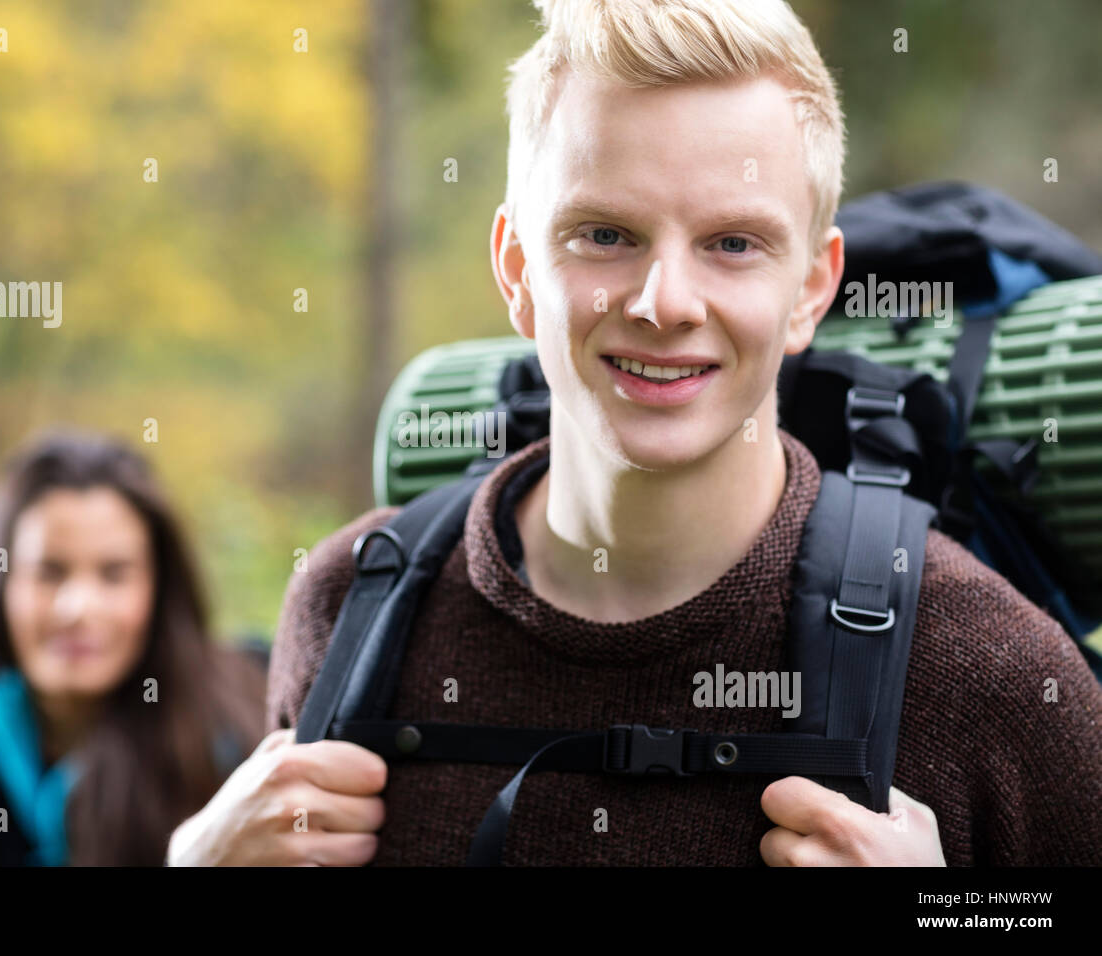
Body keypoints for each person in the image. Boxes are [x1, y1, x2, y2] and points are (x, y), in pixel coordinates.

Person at [181, 0, 1102, 866]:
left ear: (813, 289)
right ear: (516, 267)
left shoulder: (991, 673)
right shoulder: (350, 610)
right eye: (605, 235)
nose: (666, 304)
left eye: (733, 243)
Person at [0, 429, 268, 865]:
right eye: (49, 572)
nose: (78, 608)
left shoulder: (248, 710)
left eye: (114, 574)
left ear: (159, 588)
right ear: (0, 583)